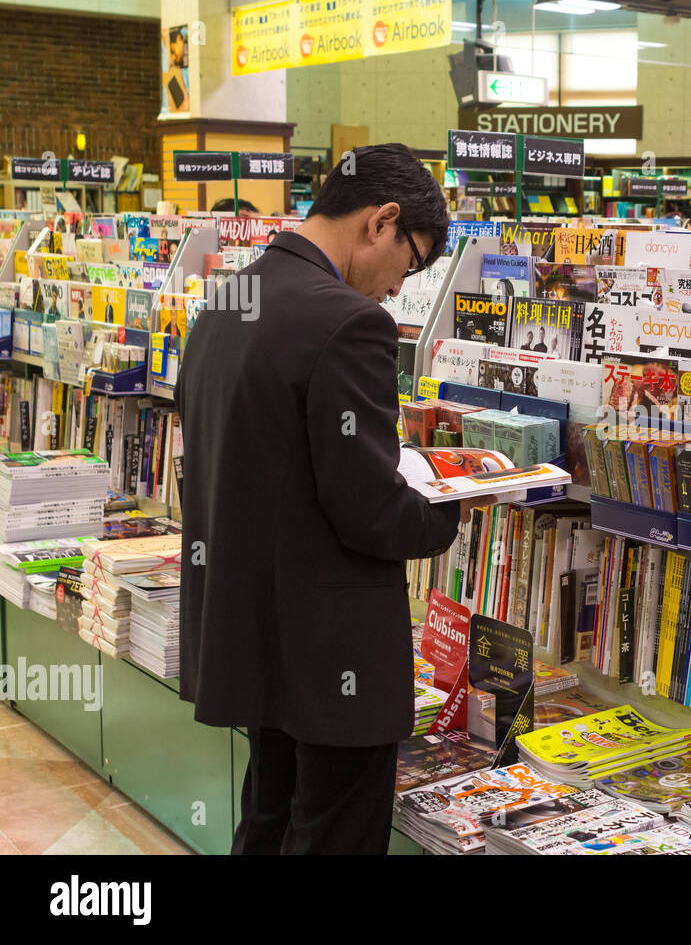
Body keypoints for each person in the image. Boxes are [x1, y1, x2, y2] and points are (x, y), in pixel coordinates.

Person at [176, 143, 485, 855]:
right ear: (382, 221)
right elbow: (370, 508)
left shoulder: (227, 298)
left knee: (269, 816)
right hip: (331, 653)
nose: (394, 292)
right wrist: (456, 500)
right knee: (335, 833)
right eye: (407, 267)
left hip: (253, 632)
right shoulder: (350, 321)